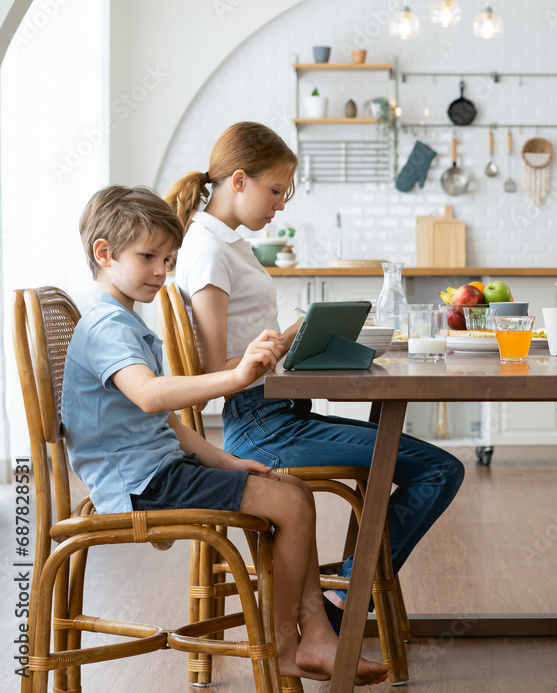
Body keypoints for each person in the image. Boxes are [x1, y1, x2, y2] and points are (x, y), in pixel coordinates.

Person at [62, 185, 388, 685]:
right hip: (141, 483)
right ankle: (287, 646)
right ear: (104, 253)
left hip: (156, 472)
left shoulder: (123, 321)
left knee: (293, 491)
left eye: (167, 260)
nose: (161, 271)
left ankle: (317, 637)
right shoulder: (107, 326)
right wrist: (236, 376)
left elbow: (168, 425)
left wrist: (226, 460)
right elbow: (150, 397)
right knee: (293, 501)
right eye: (147, 257)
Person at [166, 122, 465, 625]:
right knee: (439, 470)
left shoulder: (227, 244)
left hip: (276, 414)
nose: (280, 205)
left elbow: (244, 351)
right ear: (238, 181)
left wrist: (292, 337)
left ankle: (346, 592)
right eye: (275, 190)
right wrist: (281, 345)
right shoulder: (211, 251)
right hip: (261, 427)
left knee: (430, 465)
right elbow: (211, 371)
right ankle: (344, 599)